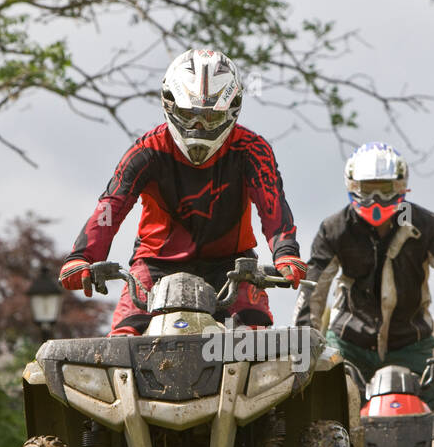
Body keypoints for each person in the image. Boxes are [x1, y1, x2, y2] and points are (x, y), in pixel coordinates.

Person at [58, 48, 306, 333]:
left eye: (211, 118)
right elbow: (111, 206)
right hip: (153, 267)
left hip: (232, 270)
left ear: (232, 109)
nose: (198, 128)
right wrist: (81, 257)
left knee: (257, 344)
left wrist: (286, 253)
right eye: (189, 115)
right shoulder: (146, 151)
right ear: (169, 105)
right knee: (121, 344)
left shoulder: (251, 149)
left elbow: (272, 205)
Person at [294, 141, 434, 411]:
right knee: (317, 411)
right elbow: (313, 287)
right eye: (368, 189)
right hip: (348, 345)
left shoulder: (427, 226)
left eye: (385, 188)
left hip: (412, 345)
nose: (376, 198)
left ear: (401, 186)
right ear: (353, 186)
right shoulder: (334, 229)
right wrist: (303, 341)